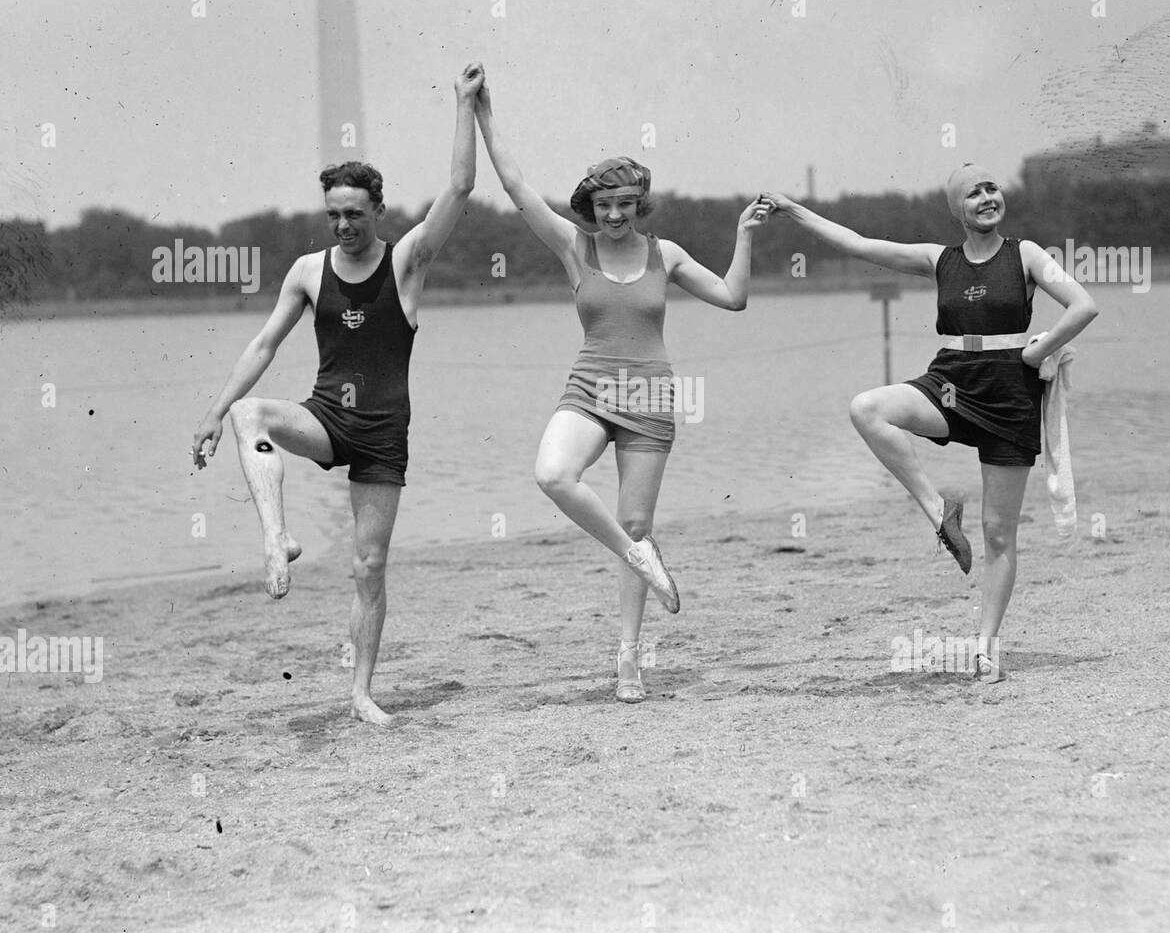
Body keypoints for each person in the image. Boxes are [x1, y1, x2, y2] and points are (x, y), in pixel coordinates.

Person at [190, 63, 484, 725]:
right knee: (246, 412)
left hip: (382, 434)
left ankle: (359, 694)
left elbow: (462, 185)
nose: (344, 225)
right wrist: (212, 413)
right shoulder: (307, 271)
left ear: (378, 210)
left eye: (355, 214)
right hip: (327, 418)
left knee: (368, 565)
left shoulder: (406, 262)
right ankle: (276, 537)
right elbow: (264, 344)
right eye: (334, 215)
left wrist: (463, 105)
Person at [473, 74, 769, 702]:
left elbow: (735, 299)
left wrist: (743, 235)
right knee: (554, 474)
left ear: (640, 207)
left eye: (624, 206)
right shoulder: (572, 245)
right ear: (590, 207)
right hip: (589, 385)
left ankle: (629, 660)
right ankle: (642, 559)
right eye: (603, 206)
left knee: (637, 522)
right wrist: (484, 111)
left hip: (650, 395)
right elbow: (516, 187)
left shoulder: (669, 254)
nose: (613, 216)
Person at [761, 163, 1098, 680]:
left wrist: (1039, 353)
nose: (986, 198)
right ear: (956, 210)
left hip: (1012, 395)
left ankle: (985, 647)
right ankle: (939, 509)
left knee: (999, 534)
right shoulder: (939, 259)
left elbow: (1083, 305)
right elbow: (857, 243)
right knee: (867, 408)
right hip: (952, 383)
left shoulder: (1025, 254)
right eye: (973, 194)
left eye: (991, 188)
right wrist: (793, 210)